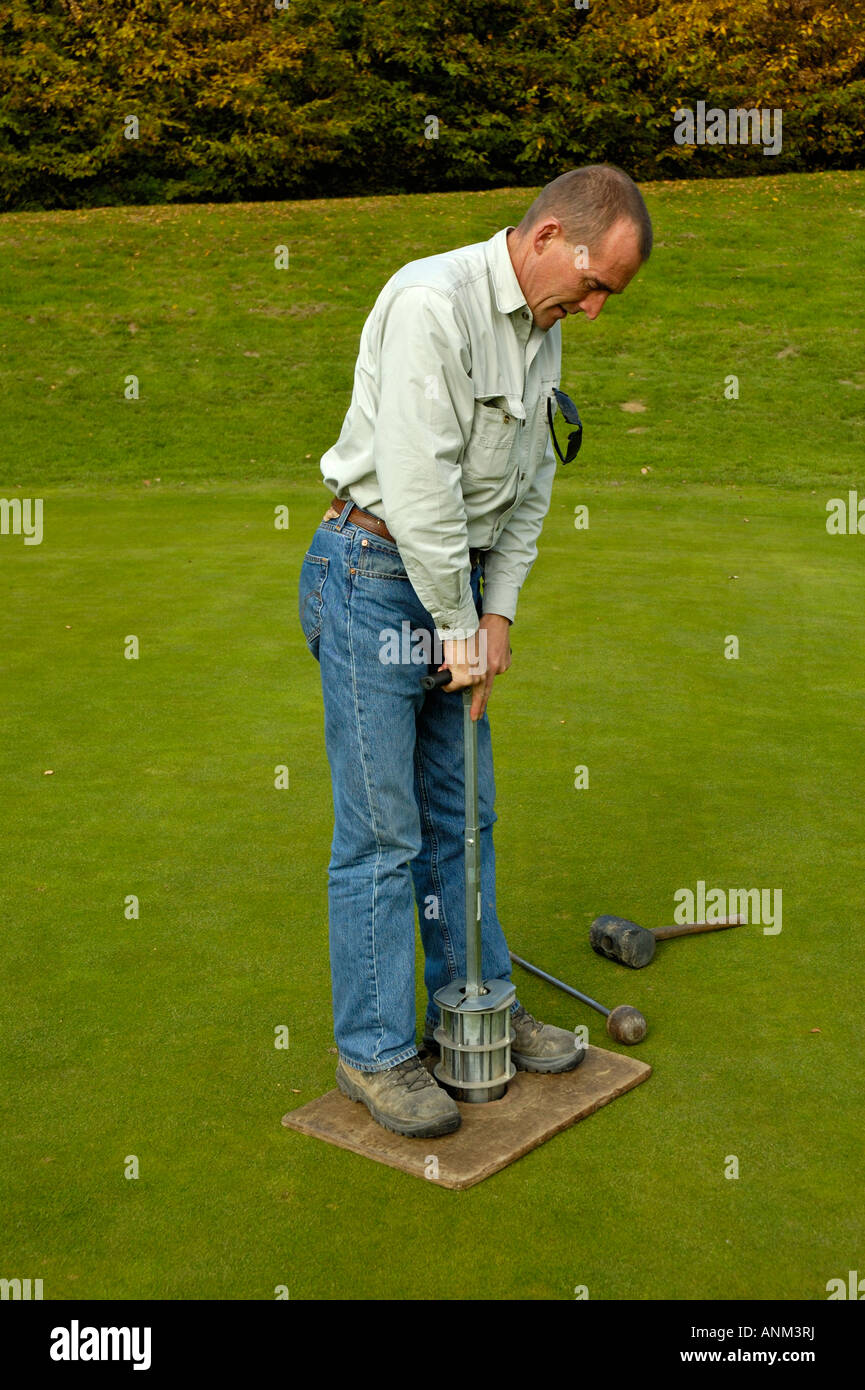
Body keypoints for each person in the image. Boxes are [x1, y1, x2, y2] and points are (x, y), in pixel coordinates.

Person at [298, 163, 652, 1138]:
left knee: (466, 817)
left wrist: (495, 615)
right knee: (384, 830)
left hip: (454, 585)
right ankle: (374, 1051)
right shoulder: (431, 305)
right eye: (591, 287)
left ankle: (479, 1003)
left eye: (605, 298)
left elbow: (528, 485)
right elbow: (418, 491)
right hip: (370, 574)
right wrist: (456, 621)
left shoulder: (538, 335)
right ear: (548, 237)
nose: (591, 311)